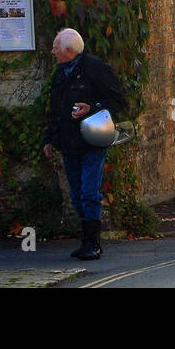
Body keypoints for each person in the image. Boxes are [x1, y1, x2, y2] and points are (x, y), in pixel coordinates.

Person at [42, 28, 126, 260]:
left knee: (89, 192)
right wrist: (49, 139)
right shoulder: (61, 73)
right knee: (78, 195)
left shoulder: (95, 68)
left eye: (56, 47)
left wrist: (94, 107)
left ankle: (93, 243)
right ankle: (86, 241)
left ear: (69, 50)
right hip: (68, 142)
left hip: (92, 139)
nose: (53, 51)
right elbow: (55, 109)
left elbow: (118, 100)